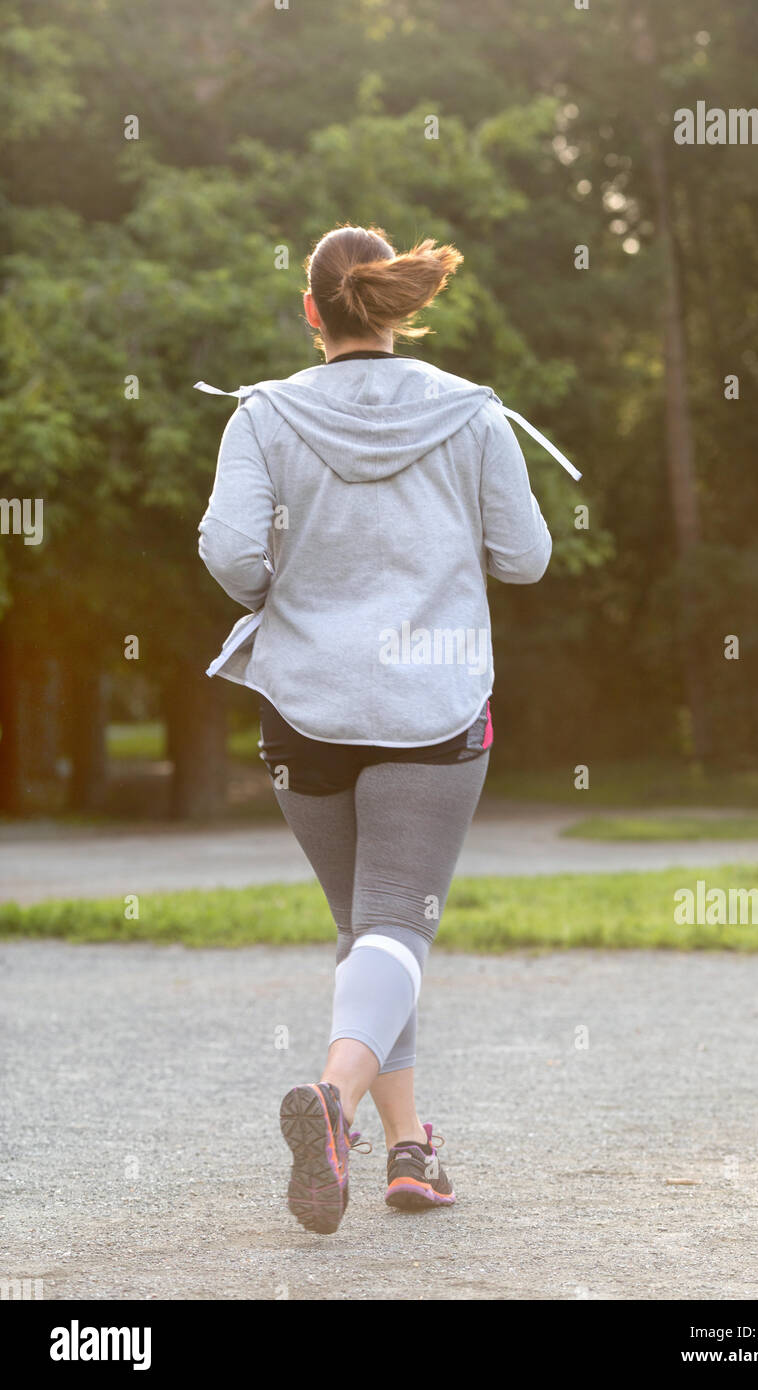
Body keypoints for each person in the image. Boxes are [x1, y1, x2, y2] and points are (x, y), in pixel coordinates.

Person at [197, 223, 554, 1234]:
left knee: (368, 930)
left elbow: (229, 556)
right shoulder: (471, 412)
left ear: (310, 310)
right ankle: (335, 1102)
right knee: (397, 919)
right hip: (432, 706)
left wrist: (288, 582)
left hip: (302, 705)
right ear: (393, 306)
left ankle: (410, 1152)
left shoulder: (260, 416)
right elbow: (523, 556)